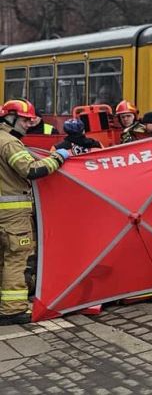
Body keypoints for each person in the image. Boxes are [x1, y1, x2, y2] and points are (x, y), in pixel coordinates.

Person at [0, 99, 69, 325]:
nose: (29, 124)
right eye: (25, 120)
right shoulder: (9, 143)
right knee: (16, 259)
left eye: (31, 120)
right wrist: (58, 158)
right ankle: (13, 309)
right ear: (9, 117)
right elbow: (31, 170)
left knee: (3, 259)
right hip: (12, 216)